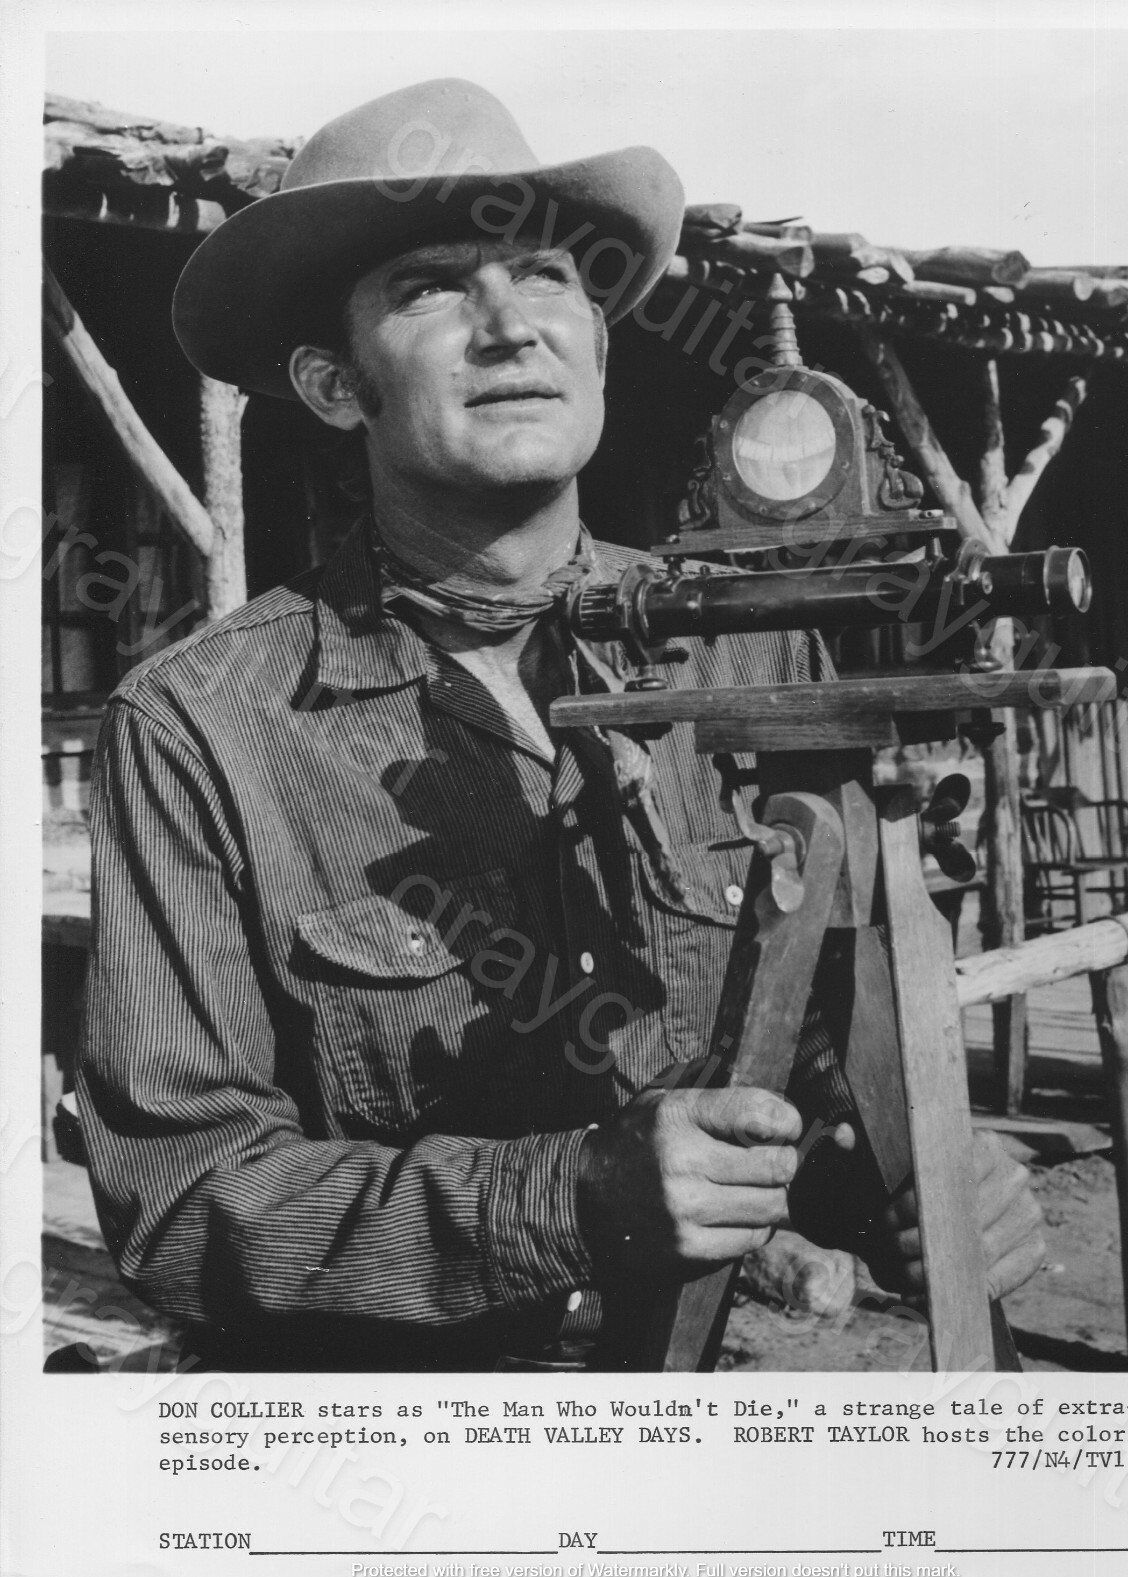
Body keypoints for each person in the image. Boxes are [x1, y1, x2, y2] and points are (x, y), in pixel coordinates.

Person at [76, 78, 1042, 1372]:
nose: (506, 327)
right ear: (331, 383)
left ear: (598, 343)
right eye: (429, 288)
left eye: (544, 279)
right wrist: (572, 1198)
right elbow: (182, 1201)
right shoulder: (203, 727)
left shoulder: (748, 640)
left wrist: (908, 1176)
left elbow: (812, 1039)